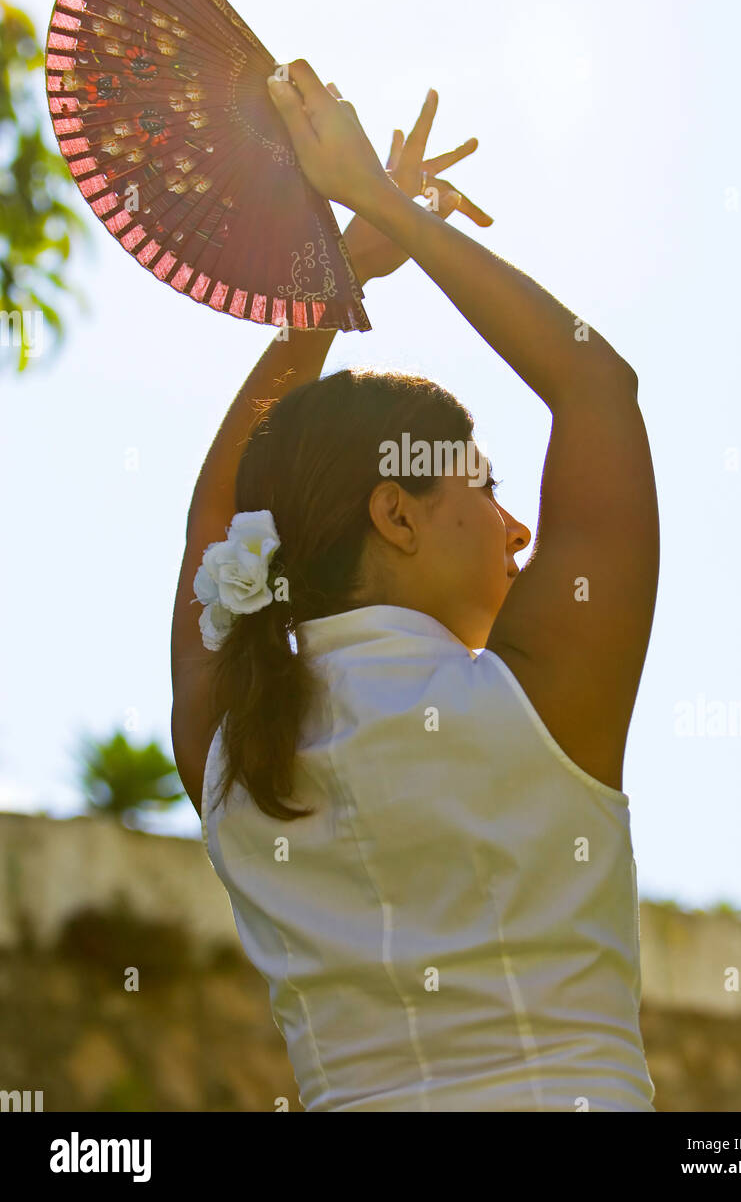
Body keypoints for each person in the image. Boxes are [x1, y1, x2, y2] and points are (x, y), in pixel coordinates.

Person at [170, 61, 660, 1112]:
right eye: (483, 487)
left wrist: (341, 274)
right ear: (393, 514)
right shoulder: (536, 707)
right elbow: (594, 383)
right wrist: (378, 209)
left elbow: (220, 508)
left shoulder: (229, 749)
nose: (517, 525)